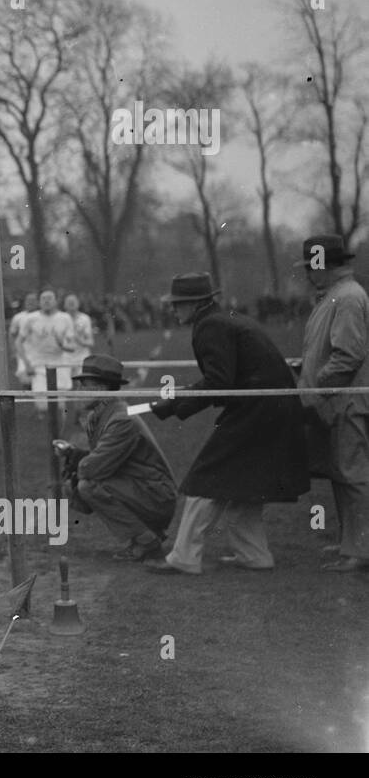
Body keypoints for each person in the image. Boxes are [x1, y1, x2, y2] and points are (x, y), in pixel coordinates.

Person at [146, 273, 308, 574]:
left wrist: (176, 403)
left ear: (196, 304)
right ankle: (254, 555)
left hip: (258, 410)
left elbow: (218, 382)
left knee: (205, 479)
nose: (173, 309)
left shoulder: (210, 326)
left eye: (178, 303)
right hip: (272, 409)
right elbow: (225, 379)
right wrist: (177, 402)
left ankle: (184, 558)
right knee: (245, 482)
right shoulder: (224, 319)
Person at [53, 354, 177, 561]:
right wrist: (72, 453)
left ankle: (146, 541)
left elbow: (94, 468)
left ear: (102, 388)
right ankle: (145, 536)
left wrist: (76, 466)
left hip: (157, 496)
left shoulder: (120, 419)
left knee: (88, 486)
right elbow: (104, 459)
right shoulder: (105, 414)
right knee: (86, 484)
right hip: (144, 488)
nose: (79, 391)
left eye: (84, 386)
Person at [296, 235, 369, 573]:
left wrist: (317, 390)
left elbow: (348, 356)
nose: (308, 275)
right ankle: (351, 543)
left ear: (323, 266)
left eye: (311, 267)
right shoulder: (336, 296)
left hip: (345, 401)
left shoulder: (348, 298)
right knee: (342, 473)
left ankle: (361, 549)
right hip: (335, 400)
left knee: (352, 475)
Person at [8, 292, 38, 388]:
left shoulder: (42, 316)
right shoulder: (18, 317)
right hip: (24, 353)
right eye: (28, 300)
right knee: (26, 381)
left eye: (33, 300)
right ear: (24, 302)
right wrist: (13, 351)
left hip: (40, 354)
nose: (30, 302)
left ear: (38, 302)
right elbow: (12, 335)